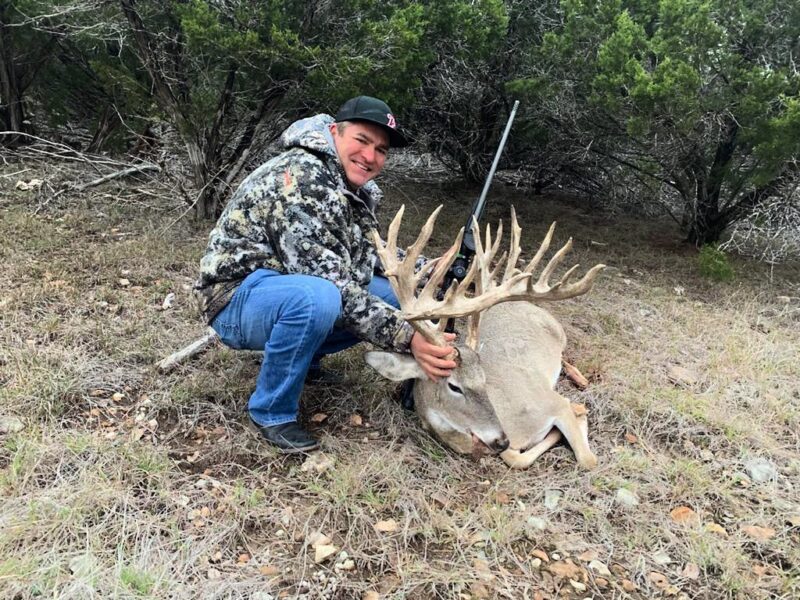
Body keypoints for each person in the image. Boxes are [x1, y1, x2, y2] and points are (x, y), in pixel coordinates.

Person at [194, 96, 457, 453]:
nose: (370, 156)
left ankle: (305, 360)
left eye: (380, 149)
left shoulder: (349, 185)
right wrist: (407, 337)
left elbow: (367, 251)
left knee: (396, 298)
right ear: (335, 132)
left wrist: (430, 269)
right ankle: (271, 411)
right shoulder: (302, 179)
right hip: (236, 299)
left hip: (286, 285)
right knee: (319, 298)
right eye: (362, 141)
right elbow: (332, 283)